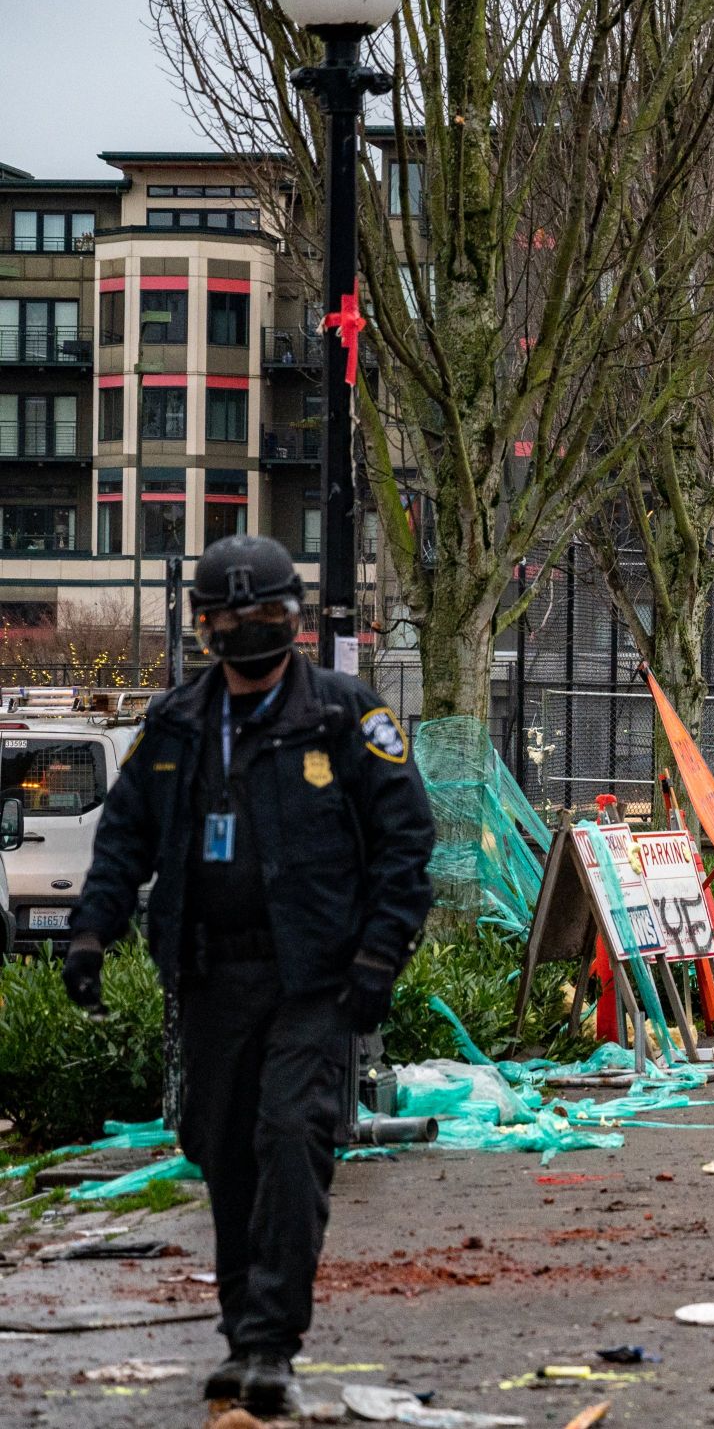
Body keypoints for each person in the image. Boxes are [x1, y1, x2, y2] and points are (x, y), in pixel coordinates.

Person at [62, 534, 435, 1418]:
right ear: (204, 626)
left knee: (291, 1138)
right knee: (223, 1150)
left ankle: (272, 1344)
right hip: (209, 979)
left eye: (262, 613)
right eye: (227, 617)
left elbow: (405, 843)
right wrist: (91, 934)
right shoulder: (175, 724)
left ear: (293, 619)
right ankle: (241, 1334)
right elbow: (124, 838)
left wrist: (379, 957)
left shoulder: (343, 717)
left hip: (314, 980)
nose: (244, 630)